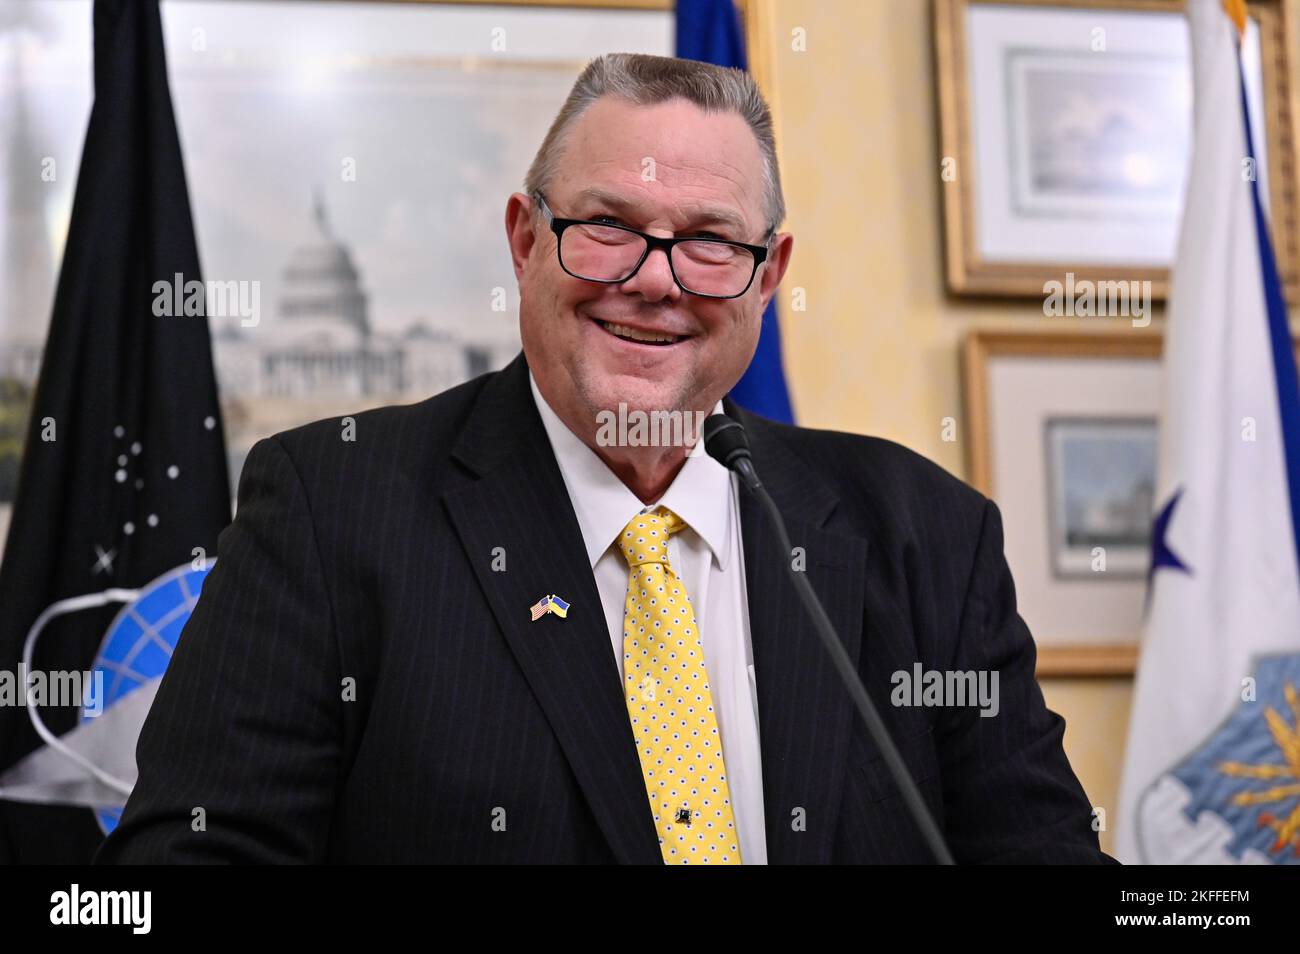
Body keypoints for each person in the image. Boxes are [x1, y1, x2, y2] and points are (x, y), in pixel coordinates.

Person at [96, 52, 1110, 864]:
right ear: (523, 239)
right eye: (607, 228)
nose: (654, 282)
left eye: (709, 240)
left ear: (769, 276)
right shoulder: (332, 509)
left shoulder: (923, 532)